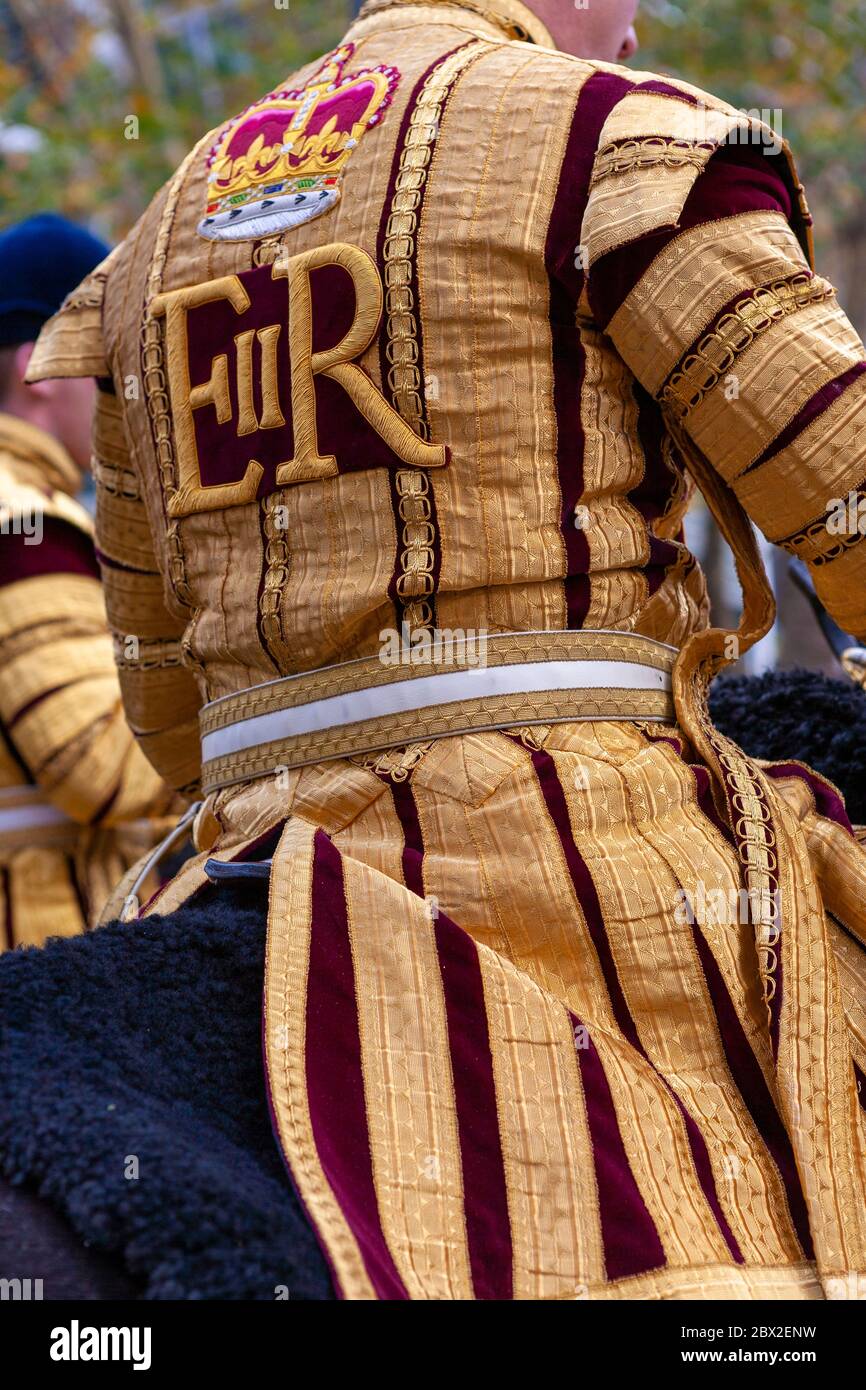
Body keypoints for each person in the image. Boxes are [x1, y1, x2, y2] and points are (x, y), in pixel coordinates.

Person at [3, 0, 866, 1300]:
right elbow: (844, 493)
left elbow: (168, 716)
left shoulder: (157, 231)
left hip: (241, 864)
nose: (629, 31)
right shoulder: (618, 142)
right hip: (594, 869)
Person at [0, 214, 178, 950]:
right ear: (36, 364)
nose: (123, 392)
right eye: (102, 362)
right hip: (36, 967)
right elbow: (97, 763)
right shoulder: (21, 529)